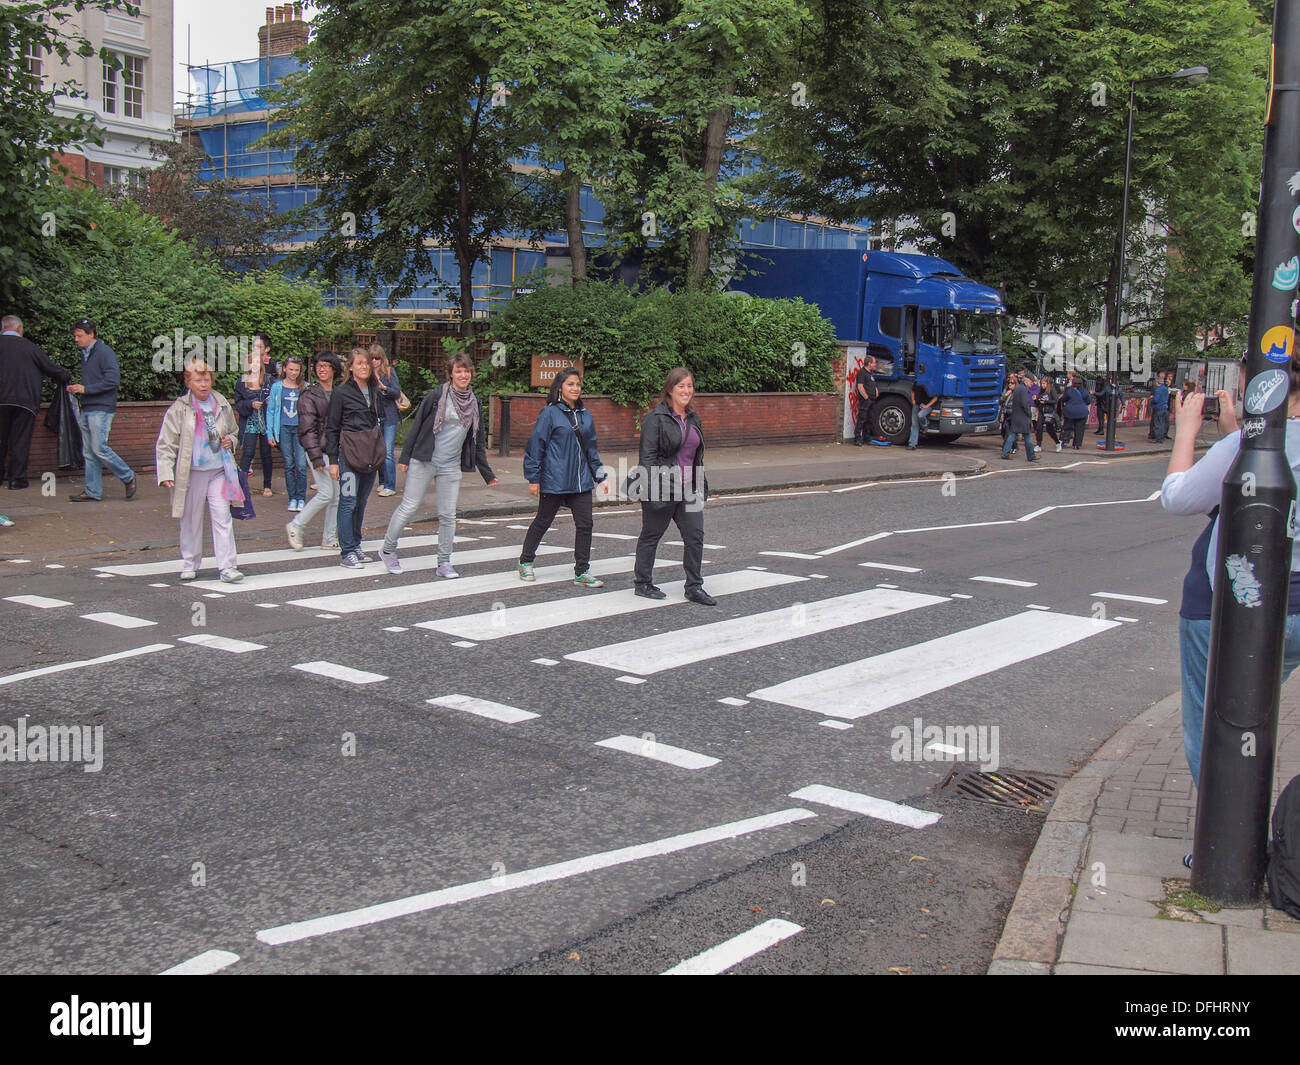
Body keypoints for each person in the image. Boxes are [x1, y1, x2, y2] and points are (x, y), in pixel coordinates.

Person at [1160, 364, 1300, 869]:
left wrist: (1188, 434)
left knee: (1216, 723)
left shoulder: (1245, 447)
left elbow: (1178, 498)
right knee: (1257, 716)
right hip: (1296, 610)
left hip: (1227, 607)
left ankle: (1230, 849)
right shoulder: (1247, 442)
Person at [380, 352, 497, 576]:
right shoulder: (436, 397)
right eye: (458, 371)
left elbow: (477, 440)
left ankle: (444, 562)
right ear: (451, 374)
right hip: (424, 460)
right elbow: (416, 428)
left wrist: (487, 473)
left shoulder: (474, 402)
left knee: (448, 515)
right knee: (409, 507)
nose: (463, 375)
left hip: (450, 466)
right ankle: (387, 550)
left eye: (466, 371)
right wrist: (404, 458)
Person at [517, 367, 609, 586]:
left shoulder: (586, 415)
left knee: (586, 524)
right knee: (543, 521)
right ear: (560, 388)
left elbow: (591, 450)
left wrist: (600, 476)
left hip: (581, 481)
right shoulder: (549, 413)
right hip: (554, 480)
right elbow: (536, 445)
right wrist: (533, 478)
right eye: (570, 384)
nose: (575, 388)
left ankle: (582, 571)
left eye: (578, 384)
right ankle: (525, 561)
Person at [155, 358, 243, 582]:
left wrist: (230, 441)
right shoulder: (180, 408)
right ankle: (190, 562)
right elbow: (166, 442)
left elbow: (234, 431)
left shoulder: (221, 404)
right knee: (190, 519)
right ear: (189, 383)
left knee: (222, 516)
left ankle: (227, 566)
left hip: (218, 470)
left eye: (206, 379)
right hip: (191, 472)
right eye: (198, 380)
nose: (203, 384)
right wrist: (166, 472)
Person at [631, 367, 714, 605]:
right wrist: (649, 493)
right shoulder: (654, 420)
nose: (686, 390)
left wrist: (701, 485)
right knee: (651, 535)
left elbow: (696, 457)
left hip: (688, 489)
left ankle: (694, 586)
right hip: (663, 487)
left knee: (695, 536)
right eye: (681, 386)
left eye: (689, 386)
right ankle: (643, 583)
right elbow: (646, 459)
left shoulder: (694, 419)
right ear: (670, 389)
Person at [66, 318, 137, 502]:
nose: (76, 339)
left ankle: (127, 476)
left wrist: (85, 389)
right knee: (89, 452)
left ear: (91, 335)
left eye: (79, 335)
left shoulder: (105, 352)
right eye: (75, 336)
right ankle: (93, 491)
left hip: (101, 408)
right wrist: (79, 388)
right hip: (89, 407)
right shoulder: (86, 353)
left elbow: (113, 381)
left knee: (99, 448)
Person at [326, 347, 383, 568]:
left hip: (370, 453)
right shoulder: (341, 393)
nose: (364, 367)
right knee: (348, 501)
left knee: (361, 501)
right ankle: (346, 550)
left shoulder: (375, 389)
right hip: (349, 454)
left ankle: (356, 544)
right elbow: (331, 427)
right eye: (359, 363)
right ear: (350, 366)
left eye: (367, 363)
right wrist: (332, 460)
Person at [0, 314, 71, 490]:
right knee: (20, 440)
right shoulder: (30, 347)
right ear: (19, 329)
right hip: (25, 402)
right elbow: (50, 367)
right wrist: (66, 378)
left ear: (3, 328)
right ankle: (16, 480)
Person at [286, 351, 341, 551]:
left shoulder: (338, 392)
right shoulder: (309, 395)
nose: (322, 369)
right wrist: (315, 456)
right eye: (319, 366)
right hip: (318, 450)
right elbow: (307, 428)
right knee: (326, 494)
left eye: (326, 366)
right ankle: (296, 525)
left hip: (334, 450)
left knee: (337, 496)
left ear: (334, 369)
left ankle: (329, 537)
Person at [267, 354, 309, 511]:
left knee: (301, 464)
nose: (293, 373)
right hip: (283, 428)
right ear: (284, 369)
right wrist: (270, 433)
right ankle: (292, 498)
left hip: (300, 429)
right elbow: (271, 411)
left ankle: (301, 497)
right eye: (290, 369)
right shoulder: (277, 387)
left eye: (296, 370)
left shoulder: (305, 387)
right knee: (289, 464)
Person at [234, 341, 275, 497]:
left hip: (265, 421)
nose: (256, 365)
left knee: (266, 454)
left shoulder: (268, 380)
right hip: (250, 422)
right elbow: (238, 403)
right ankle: (241, 486)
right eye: (253, 362)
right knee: (248, 453)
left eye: (258, 362)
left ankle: (267, 486)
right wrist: (251, 404)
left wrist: (270, 402)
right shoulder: (242, 382)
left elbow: (275, 397)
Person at [369, 344, 402, 497]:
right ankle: (382, 481)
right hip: (375, 417)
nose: (374, 361)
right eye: (372, 358)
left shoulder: (389, 372)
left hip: (389, 417)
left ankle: (390, 485)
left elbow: (396, 392)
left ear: (382, 359)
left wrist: (384, 388)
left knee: (388, 452)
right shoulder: (367, 374)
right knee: (378, 452)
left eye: (377, 358)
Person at [1000, 371, 1038, 461]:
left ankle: (1005, 453)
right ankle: (1031, 455)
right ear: (1027, 381)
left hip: (1016, 416)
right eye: (1031, 382)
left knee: (1012, 435)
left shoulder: (1018, 388)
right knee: (1028, 436)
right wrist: (1029, 414)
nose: (1031, 385)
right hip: (1023, 417)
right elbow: (1025, 404)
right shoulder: (1024, 390)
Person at [852, 357, 880, 445]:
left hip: (872, 399)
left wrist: (876, 392)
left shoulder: (870, 374)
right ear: (869, 363)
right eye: (874, 363)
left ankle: (866, 437)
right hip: (866, 400)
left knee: (870, 419)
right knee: (862, 418)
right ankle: (857, 438)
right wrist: (866, 397)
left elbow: (873, 384)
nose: (875, 365)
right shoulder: (862, 373)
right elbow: (860, 386)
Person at [1061, 371, 1091, 449]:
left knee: (1067, 427)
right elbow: (1088, 401)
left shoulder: (1069, 391)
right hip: (1082, 412)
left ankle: (1064, 442)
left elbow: (1063, 399)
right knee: (1079, 429)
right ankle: (1077, 445)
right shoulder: (1085, 391)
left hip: (1070, 412)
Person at [907, 383, 939, 450]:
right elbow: (913, 391)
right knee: (914, 424)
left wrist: (927, 406)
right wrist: (913, 400)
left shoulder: (932, 383)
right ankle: (912, 444)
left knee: (920, 415)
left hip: (927, 406)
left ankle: (925, 425)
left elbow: (935, 397)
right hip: (916, 405)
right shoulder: (918, 381)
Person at [1035, 377, 1062, 452]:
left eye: (1044, 383)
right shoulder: (1041, 390)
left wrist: (1046, 402)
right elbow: (1038, 402)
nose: (1042, 385)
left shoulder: (1051, 390)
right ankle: (1038, 445)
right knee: (1039, 428)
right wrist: (1036, 400)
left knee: (1049, 429)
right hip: (1041, 411)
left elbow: (1055, 400)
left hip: (1049, 412)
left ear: (1048, 384)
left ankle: (1057, 442)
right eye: (1041, 383)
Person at [1150, 372, 1171, 443]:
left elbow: (1156, 400)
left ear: (1157, 382)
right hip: (1165, 407)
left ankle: (1158, 439)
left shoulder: (1158, 389)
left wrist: (1152, 398)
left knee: (1157, 424)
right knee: (1162, 424)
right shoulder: (1165, 389)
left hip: (1158, 408)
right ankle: (1161, 437)